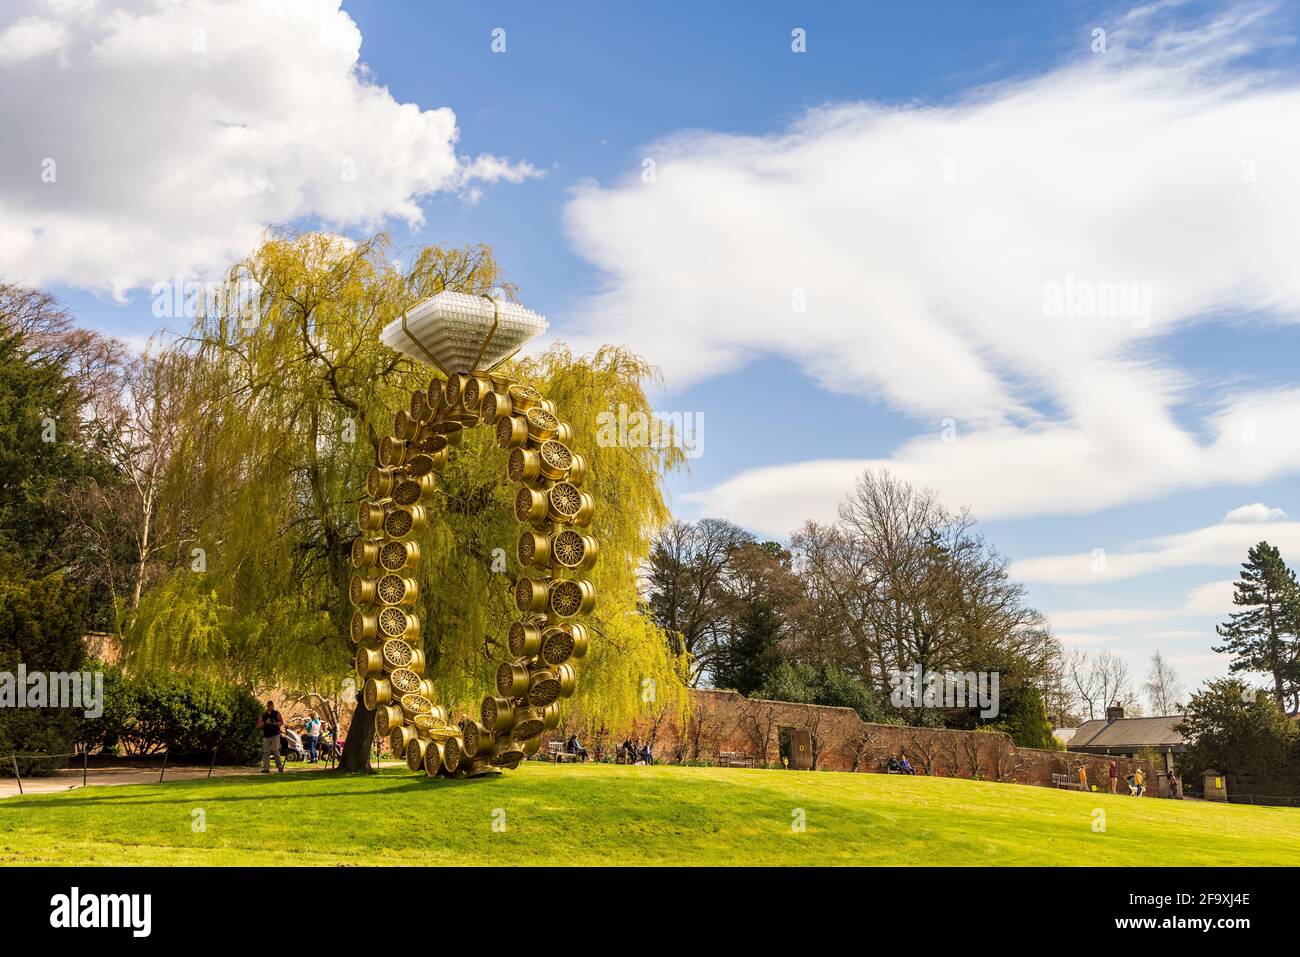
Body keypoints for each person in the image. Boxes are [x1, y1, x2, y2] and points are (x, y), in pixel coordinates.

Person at [258, 700, 285, 773]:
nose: (270, 707)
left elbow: (281, 722)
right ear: (267, 706)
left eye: (271, 705)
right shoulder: (263, 714)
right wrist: (265, 723)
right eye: (269, 705)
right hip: (266, 735)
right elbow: (259, 724)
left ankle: (279, 767)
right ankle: (266, 768)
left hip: (275, 734)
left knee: (276, 751)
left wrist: (275, 723)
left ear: (273, 706)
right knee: (266, 752)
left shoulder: (276, 713)